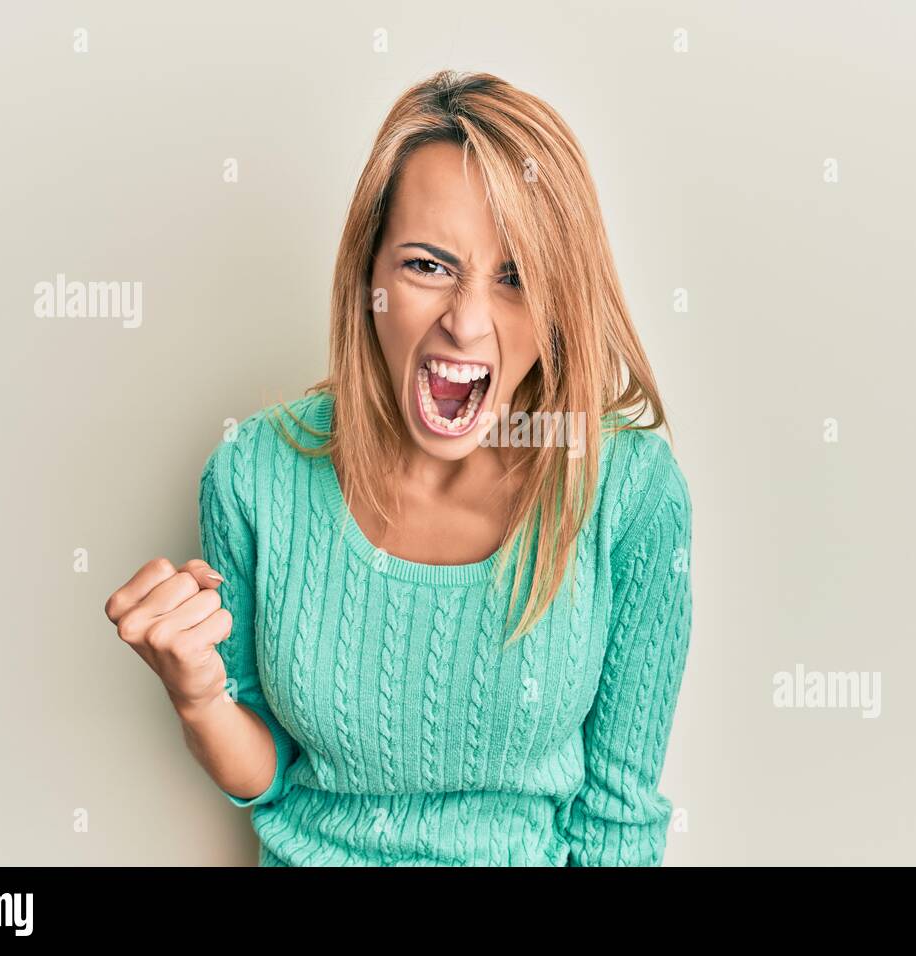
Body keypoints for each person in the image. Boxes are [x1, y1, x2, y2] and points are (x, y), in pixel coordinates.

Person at [103, 69, 693, 866]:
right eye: (428, 265)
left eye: (516, 278)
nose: (467, 321)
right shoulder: (252, 476)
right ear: (368, 275)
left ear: (560, 306)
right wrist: (198, 694)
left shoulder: (628, 492)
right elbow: (269, 774)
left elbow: (619, 819)